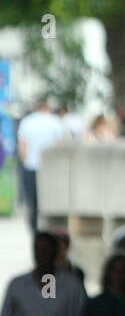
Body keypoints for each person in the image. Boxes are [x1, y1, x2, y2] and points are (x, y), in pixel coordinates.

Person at [16, 98, 69, 232]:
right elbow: (62, 144)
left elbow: (22, 147)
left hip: (31, 166)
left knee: (32, 201)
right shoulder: (55, 121)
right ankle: (51, 228)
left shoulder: (27, 122)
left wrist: (25, 161)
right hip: (50, 168)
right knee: (51, 201)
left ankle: (34, 229)